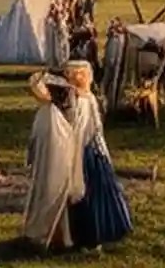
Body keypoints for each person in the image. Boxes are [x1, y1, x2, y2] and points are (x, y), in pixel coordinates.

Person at [63, 60, 133, 251]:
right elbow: (96, 127)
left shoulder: (80, 101)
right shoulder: (87, 99)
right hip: (91, 149)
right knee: (92, 193)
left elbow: (83, 128)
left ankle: (89, 237)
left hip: (83, 151)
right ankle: (91, 236)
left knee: (86, 194)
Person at [22, 71, 84, 253]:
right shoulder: (48, 115)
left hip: (55, 165)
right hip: (50, 165)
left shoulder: (51, 117)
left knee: (54, 198)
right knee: (52, 198)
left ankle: (56, 238)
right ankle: (56, 238)